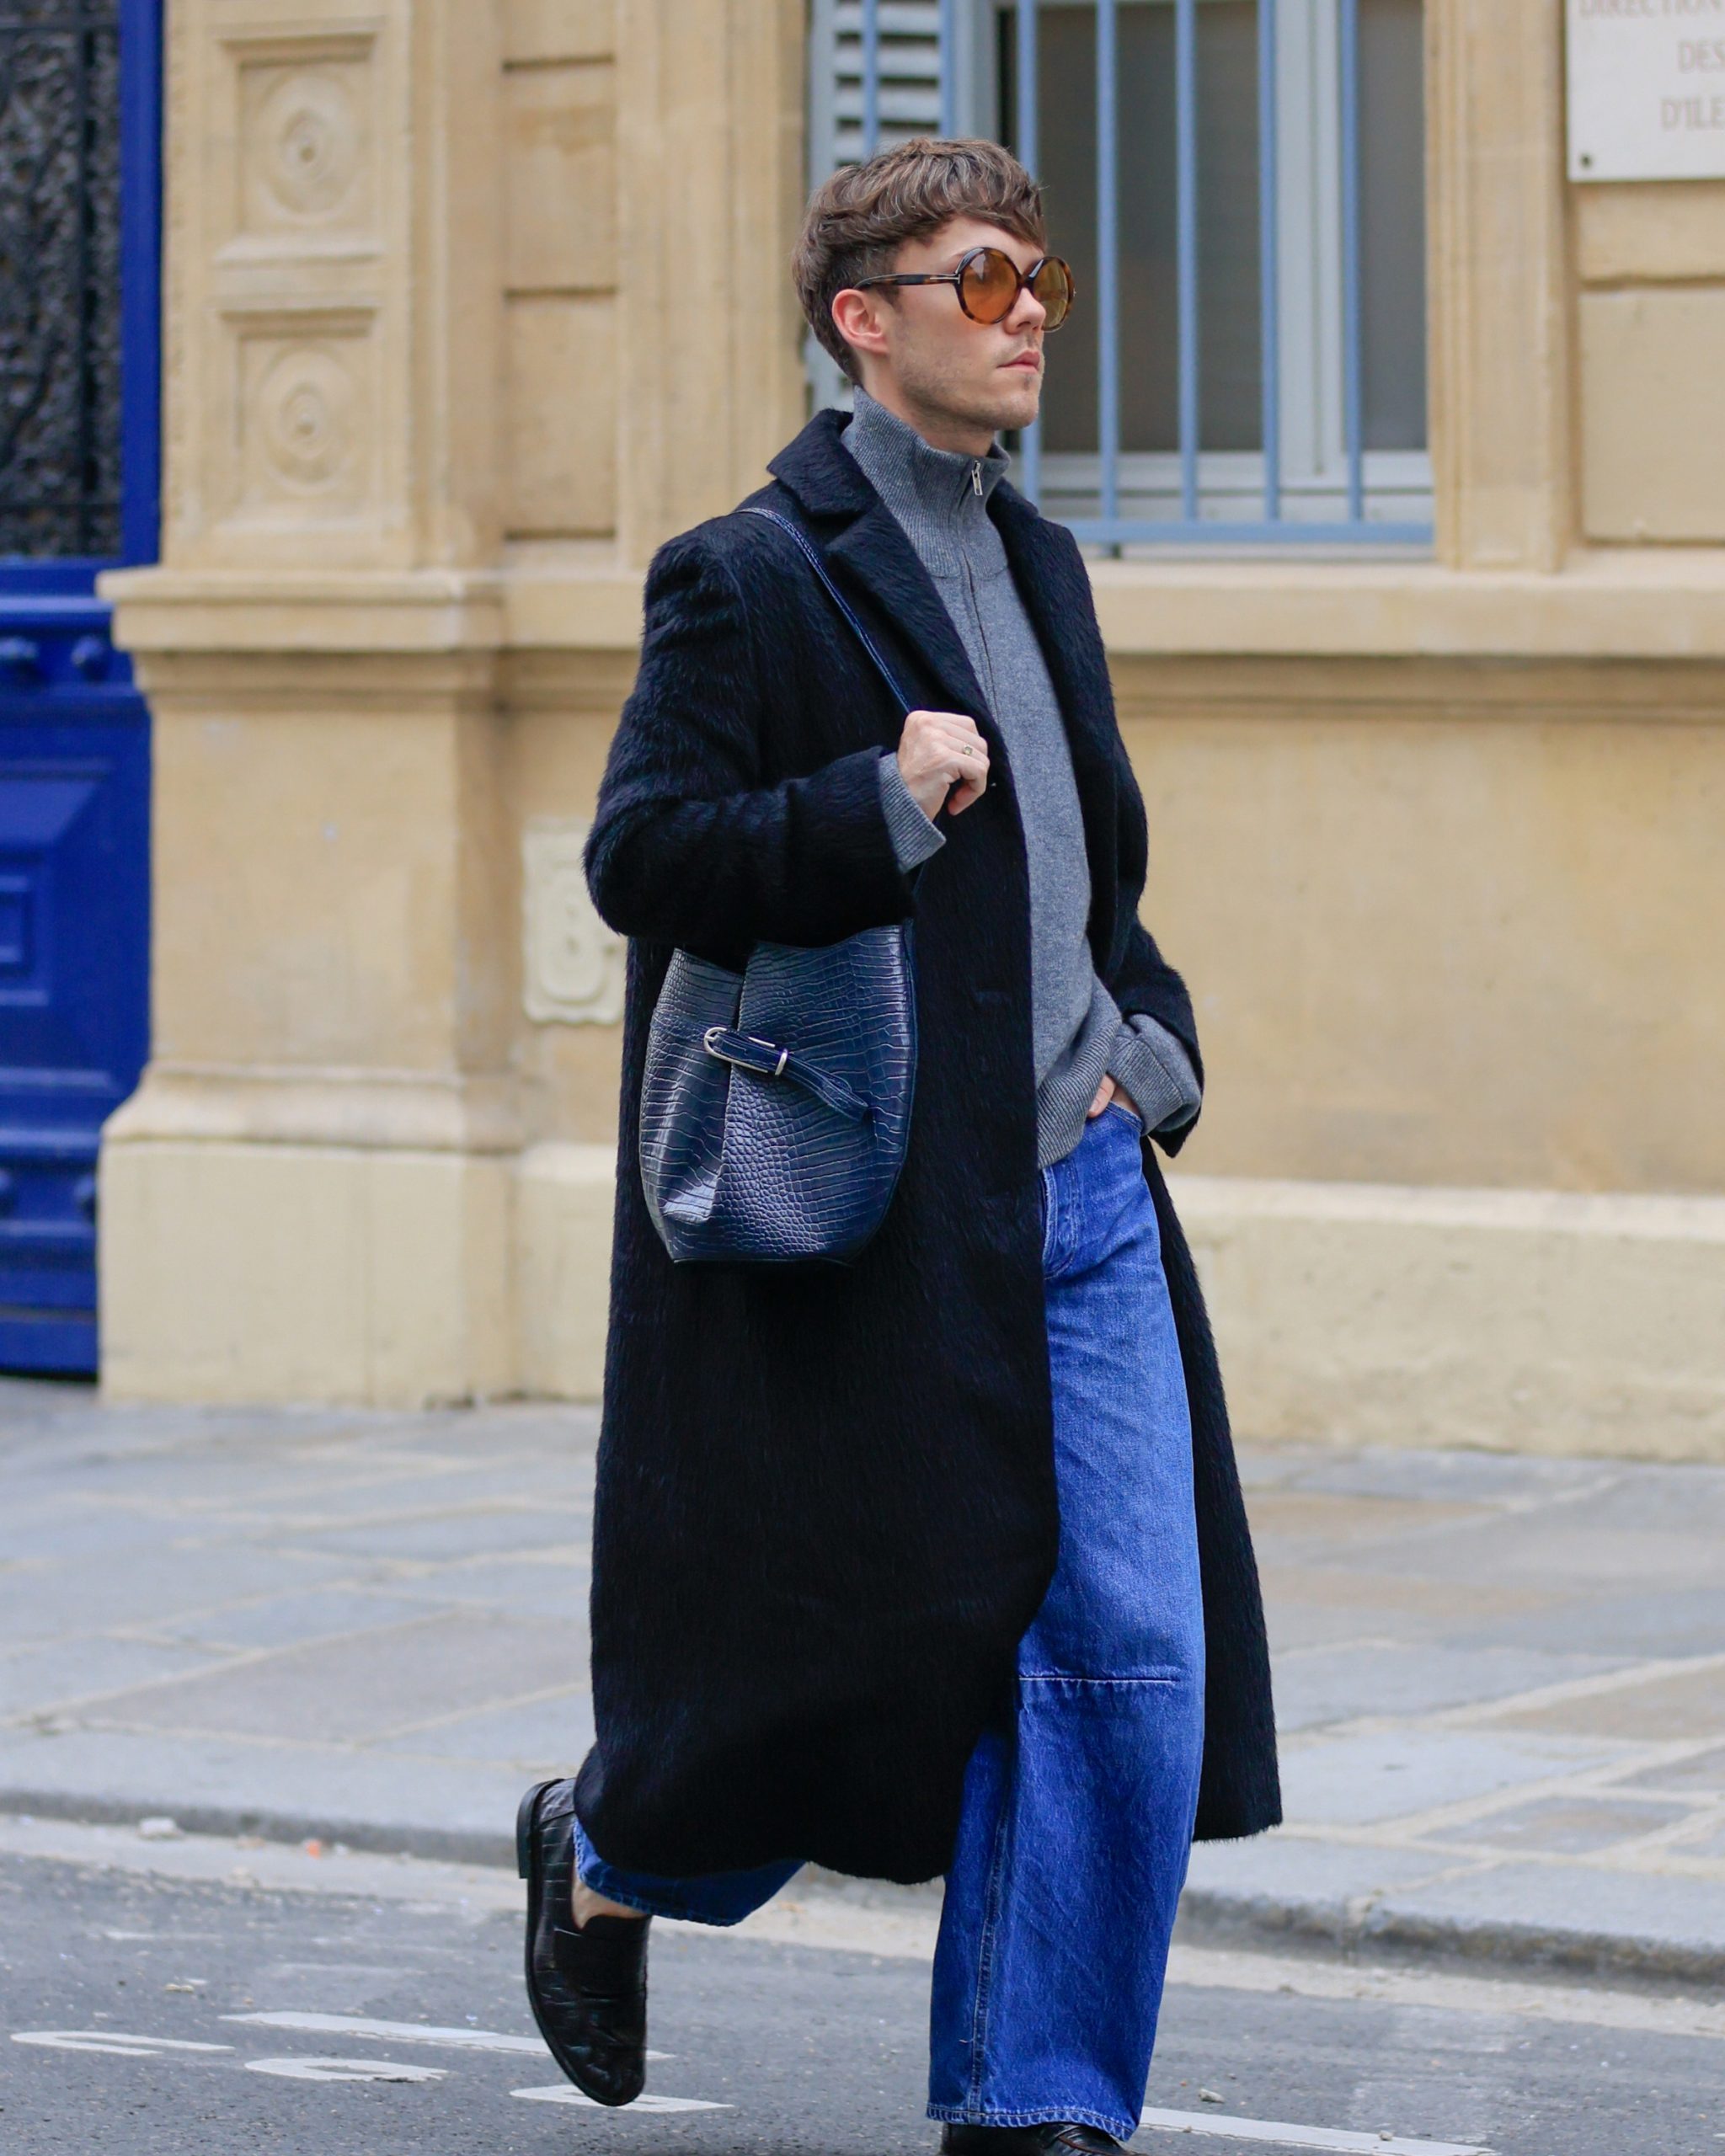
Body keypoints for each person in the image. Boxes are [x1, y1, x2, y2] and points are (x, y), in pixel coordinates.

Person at [518, 137, 1280, 2153]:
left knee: (1128, 1648)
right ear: (865, 320)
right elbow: (642, 858)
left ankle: (1031, 2100)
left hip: (1076, 1183)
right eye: (981, 279)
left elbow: (1088, 881)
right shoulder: (751, 569)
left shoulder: (1037, 562)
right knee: (853, 1647)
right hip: (867, 1210)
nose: (1029, 312)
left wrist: (1149, 1049)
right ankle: (607, 1854)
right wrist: (864, 804)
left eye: (1041, 276)